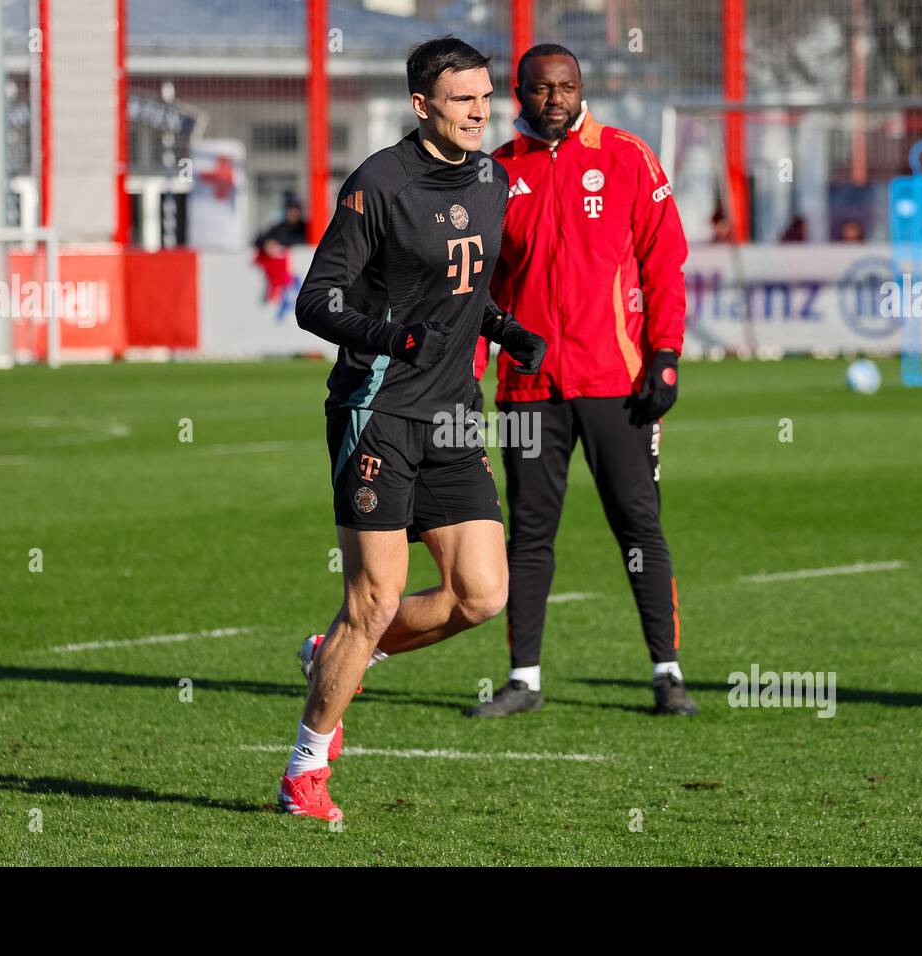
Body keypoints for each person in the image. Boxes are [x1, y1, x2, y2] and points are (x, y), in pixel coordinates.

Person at [284, 36, 546, 821]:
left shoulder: (495, 179)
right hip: (379, 411)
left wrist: (501, 328)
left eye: (486, 96)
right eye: (463, 99)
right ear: (422, 104)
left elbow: (454, 291)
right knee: (375, 596)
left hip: (456, 413)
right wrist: (394, 338)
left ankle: (334, 657)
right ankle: (304, 771)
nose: (481, 110)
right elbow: (316, 302)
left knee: (483, 595)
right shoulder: (380, 184)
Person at [470, 43, 697, 718]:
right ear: (520, 94)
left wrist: (665, 354)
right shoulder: (495, 174)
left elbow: (666, 265)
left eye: (566, 86)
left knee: (638, 524)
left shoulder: (628, 157)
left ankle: (667, 673)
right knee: (530, 534)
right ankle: (524, 680)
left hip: (615, 382)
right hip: (528, 387)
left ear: (582, 88)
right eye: (542, 89)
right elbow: (478, 289)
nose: (556, 98)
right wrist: (472, 373)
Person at [253, 195, 308, 302]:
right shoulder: (279, 228)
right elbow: (258, 239)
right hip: (283, 277)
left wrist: (282, 245)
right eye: (290, 209)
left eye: (296, 209)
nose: (293, 212)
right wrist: (267, 243)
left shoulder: (305, 228)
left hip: (301, 274)